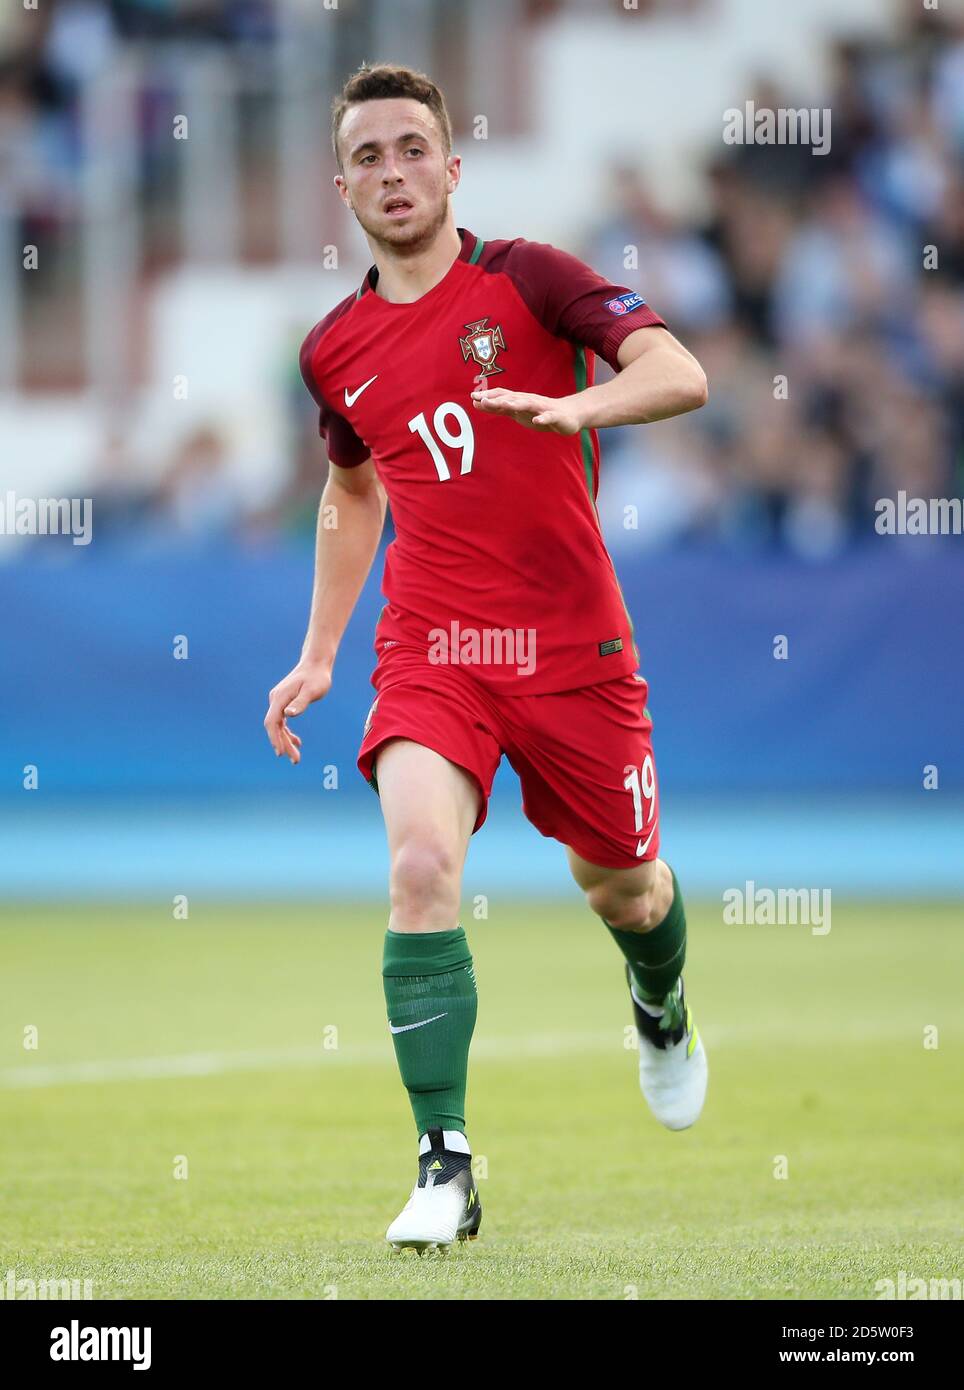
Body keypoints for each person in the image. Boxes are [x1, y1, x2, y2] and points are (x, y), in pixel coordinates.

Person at [264, 62, 710, 1253]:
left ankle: (659, 999)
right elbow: (352, 492)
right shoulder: (334, 349)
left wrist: (585, 411)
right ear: (343, 188)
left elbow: (681, 373)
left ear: (451, 168)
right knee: (419, 866)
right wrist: (319, 653)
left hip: (573, 649)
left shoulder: (531, 277)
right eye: (368, 156)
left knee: (626, 886)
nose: (392, 172)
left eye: (413, 148)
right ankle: (444, 1163)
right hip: (436, 649)